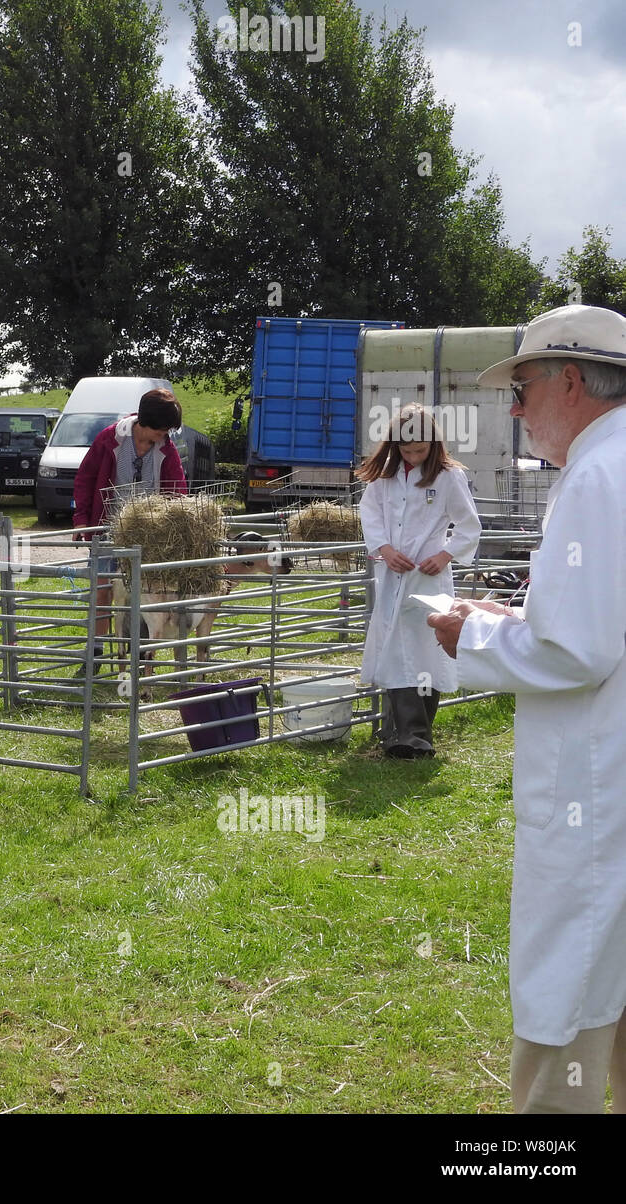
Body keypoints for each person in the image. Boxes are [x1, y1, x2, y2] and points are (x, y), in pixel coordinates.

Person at [428, 305, 626, 1113]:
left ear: (572, 381)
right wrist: (520, 619)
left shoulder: (595, 477)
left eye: (523, 387)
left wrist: (468, 634)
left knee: (568, 1002)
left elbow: (576, 653)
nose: (515, 409)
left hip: (594, 792)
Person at [355, 401, 480, 757]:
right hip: (393, 575)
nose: (412, 456)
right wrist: (383, 548)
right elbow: (371, 513)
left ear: (434, 444)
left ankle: (414, 737)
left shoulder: (448, 477)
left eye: (420, 450)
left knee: (424, 650)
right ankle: (404, 735)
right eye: (406, 450)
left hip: (427, 578)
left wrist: (444, 555)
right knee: (395, 648)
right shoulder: (385, 478)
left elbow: (469, 525)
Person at [71, 388, 188, 664]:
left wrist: (179, 520)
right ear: (146, 423)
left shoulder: (166, 449)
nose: (165, 435)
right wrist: (81, 520)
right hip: (108, 527)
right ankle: (96, 651)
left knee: (144, 591)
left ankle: (140, 650)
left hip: (149, 533)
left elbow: (178, 489)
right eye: (162, 429)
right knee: (103, 588)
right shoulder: (110, 440)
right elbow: (85, 479)